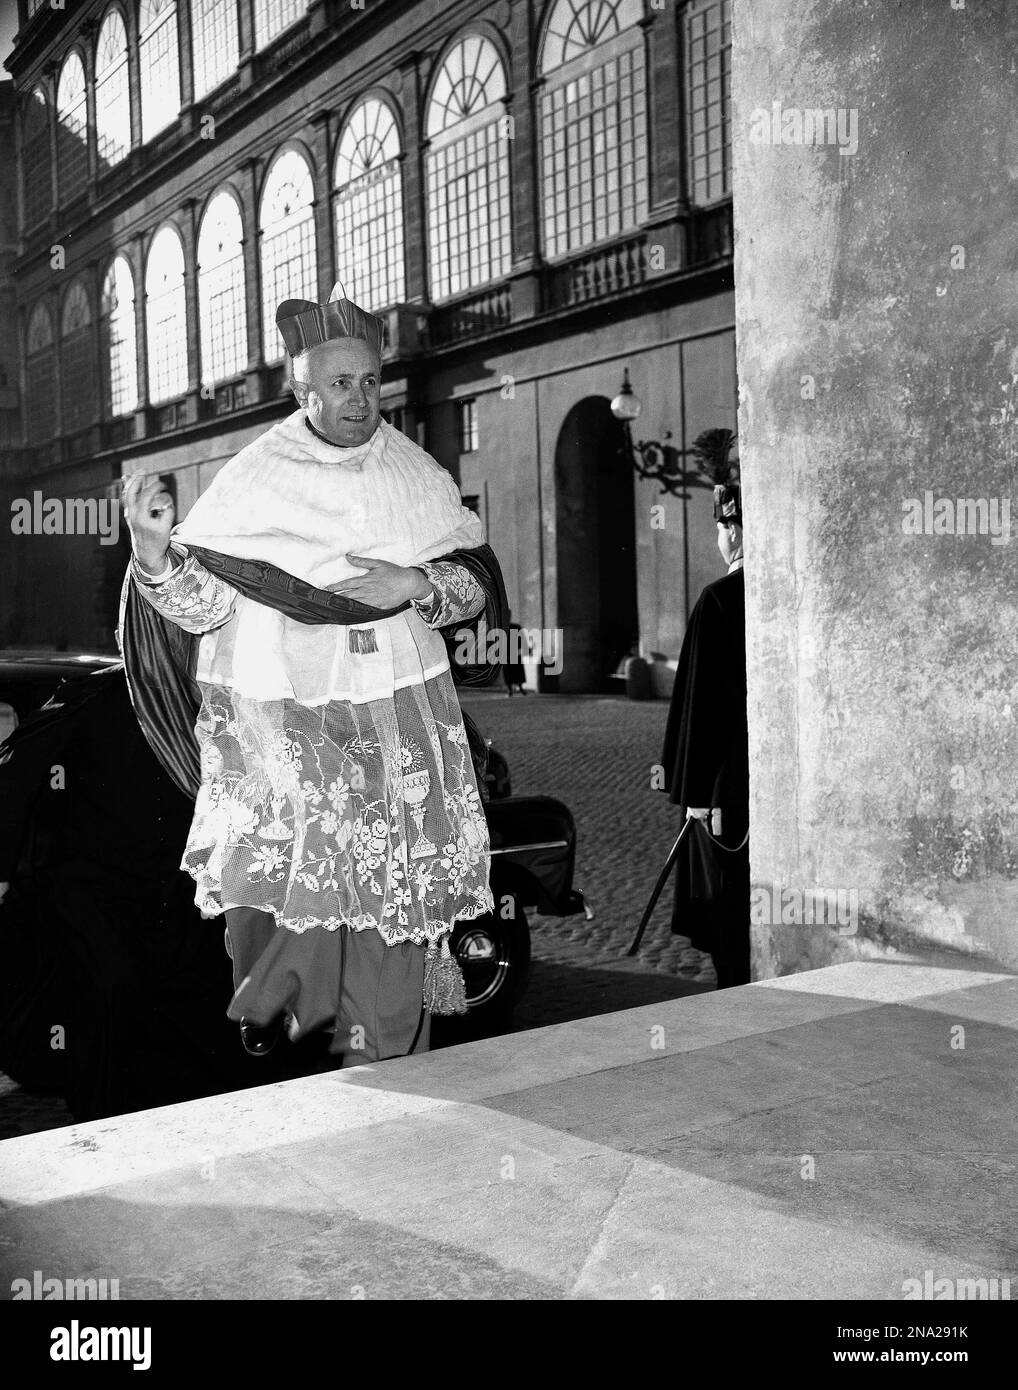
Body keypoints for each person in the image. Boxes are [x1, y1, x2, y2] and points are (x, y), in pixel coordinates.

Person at [120, 284, 507, 1063]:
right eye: (340, 383)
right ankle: (311, 1049)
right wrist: (155, 555)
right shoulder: (257, 477)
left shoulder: (415, 471)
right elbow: (202, 608)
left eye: (370, 381)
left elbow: (473, 579)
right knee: (302, 902)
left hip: (397, 714)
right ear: (301, 391)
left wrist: (416, 585)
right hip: (295, 721)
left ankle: (392, 1061)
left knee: (395, 889)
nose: (361, 399)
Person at [659, 482, 750, 987]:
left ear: (732, 531)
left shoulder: (719, 600)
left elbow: (698, 709)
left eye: (721, 527)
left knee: (727, 915)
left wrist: (692, 793)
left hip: (724, 792)